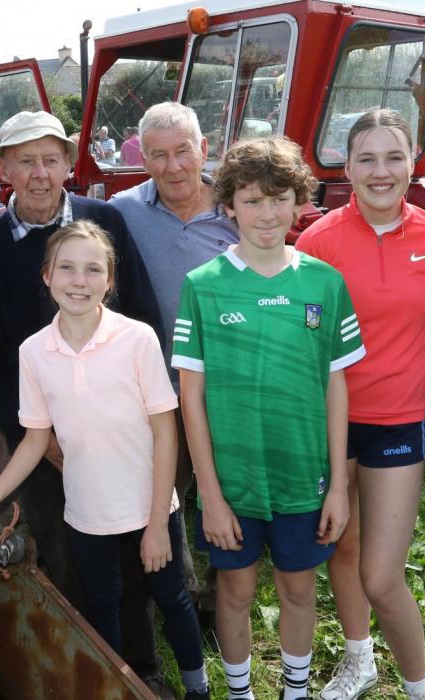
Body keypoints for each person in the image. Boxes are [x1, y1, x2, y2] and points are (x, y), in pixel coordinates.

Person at [0, 221, 209, 700]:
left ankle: (199, 688)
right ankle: (112, 686)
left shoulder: (137, 339)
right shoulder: (34, 352)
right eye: (66, 268)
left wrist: (154, 524)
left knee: (171, 598)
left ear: (109, 280)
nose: (78, 280)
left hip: (150, 507)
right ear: (46, 276)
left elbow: (165, 434)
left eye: (93, 269)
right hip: (86, 513)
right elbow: (33, 440)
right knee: (101, 603)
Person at [0, 110, 170, 694]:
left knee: (137, 555)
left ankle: (144, 672)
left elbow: (143, 316)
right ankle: (95, 669)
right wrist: (40, 436)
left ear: (67, 165)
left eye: (51, 159)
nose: (40, 174)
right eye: (25, 161)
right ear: (3, 169)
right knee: (70, 553)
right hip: (40, 438)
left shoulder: (104, 223)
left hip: (120, 433)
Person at [174, 136, 364, 700]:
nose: (266, 213)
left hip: (304, 478)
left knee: (298, 589)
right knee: (234, 593)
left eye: (279, 198)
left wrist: (339, 487)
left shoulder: (324, 284)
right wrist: (208, 490)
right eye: (251, 200)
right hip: (231, 483)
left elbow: (336, 388)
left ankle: (295, 691)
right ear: (228, 205)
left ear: (300, 202)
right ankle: (239, 692)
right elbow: (190, 396)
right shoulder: (202, 287)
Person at [298, 109, 425, 700]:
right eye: (366, 158)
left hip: (397, 421)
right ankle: (358, 659)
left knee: (381, 574)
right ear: (346, 167)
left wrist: (414, 332)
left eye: (394, 157)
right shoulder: (318, 240)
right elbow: (306, 330)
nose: (380, 170)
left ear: (415, 160)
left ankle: (420, 689)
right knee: (341, 547)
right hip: (332, 421)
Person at [110, 101, 239, 608]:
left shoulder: (236, 211)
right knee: (166, 483)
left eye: (183, 151)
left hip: (226, 380)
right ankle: (181, 590)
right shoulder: (123, 212)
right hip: (157, 381)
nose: (173, 167)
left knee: (225, 479)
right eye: (158, 155)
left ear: (203, 150)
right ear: (143, 158)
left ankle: (226, 582)